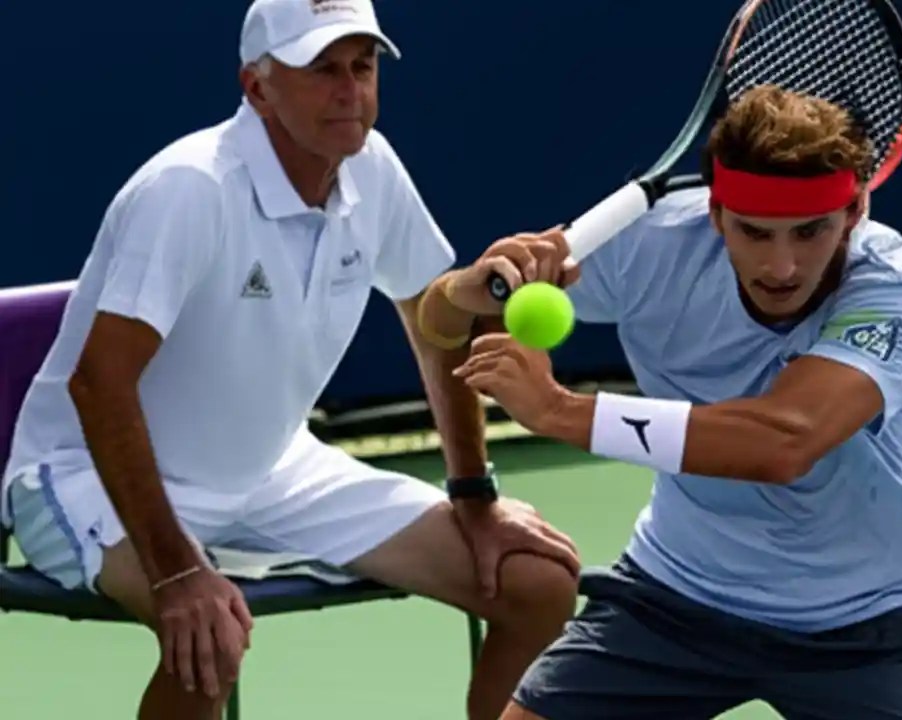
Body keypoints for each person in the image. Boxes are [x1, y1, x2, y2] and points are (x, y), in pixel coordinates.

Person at [0, 2, 582, 719]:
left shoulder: (373, 167)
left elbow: (431, 320)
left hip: (273, 469)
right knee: (208, 635)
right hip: (86, 476)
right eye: (322, 71)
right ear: (257, 88)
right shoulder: (190, 188)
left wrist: (474, 497)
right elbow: (99, 384)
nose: (350, 90)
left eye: (362, 67)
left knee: (538, 580)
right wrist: (179, 568)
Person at [448, 85, 902, 719]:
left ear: (853, 214)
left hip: (860, 622)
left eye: (810, 231)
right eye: (754, 231)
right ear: (717, 213)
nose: (783, 265)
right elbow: (446, 309)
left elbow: (783, 442)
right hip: (676, 594)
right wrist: (477, 283)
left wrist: (561, 411)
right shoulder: (652, 245)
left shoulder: (896, 288)